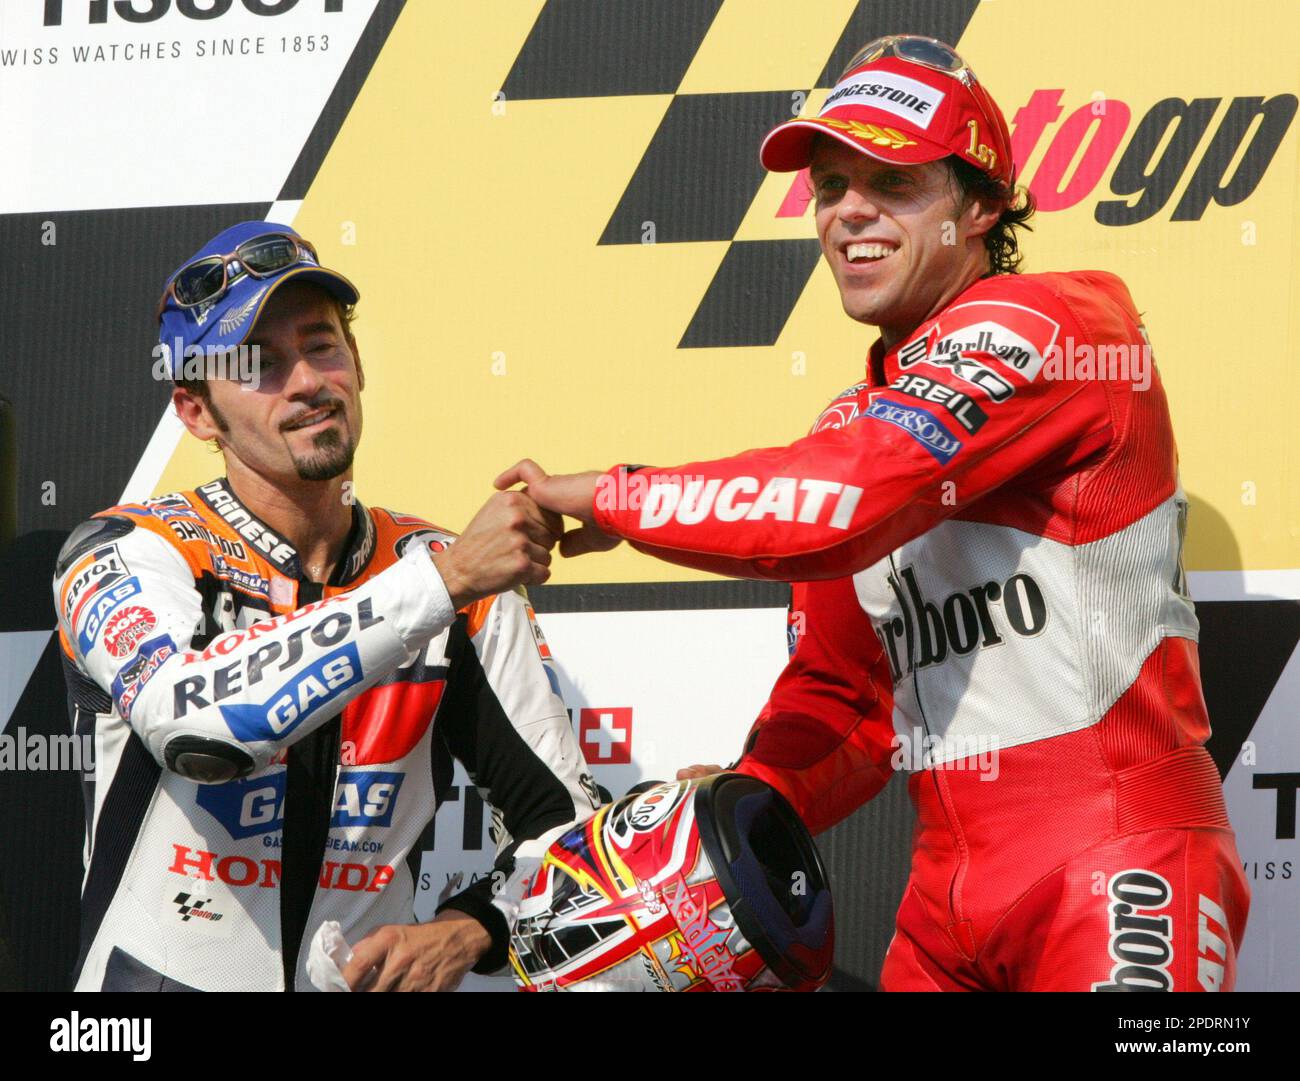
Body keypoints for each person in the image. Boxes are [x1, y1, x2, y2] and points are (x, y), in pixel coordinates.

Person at [496, 36, 1250, 991]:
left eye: (891, 181)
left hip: (1123, 857)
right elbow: (850, 699)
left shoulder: (1063, 322)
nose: (847, 209)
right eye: (828, 184)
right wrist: (749, 803)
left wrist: (615, 494)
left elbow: (844, 502)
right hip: (944, 902)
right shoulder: (851, 426)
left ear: (979, 206)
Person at [53, 222, 598, 992]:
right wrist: (438, 586)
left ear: (359, 365)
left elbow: (571, 832)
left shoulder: (458, 580)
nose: (308, 381)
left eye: (322, 345)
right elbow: (195, 729)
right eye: (262, 365)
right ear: (197, 411)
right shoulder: (129, 550)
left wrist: (474, 926)